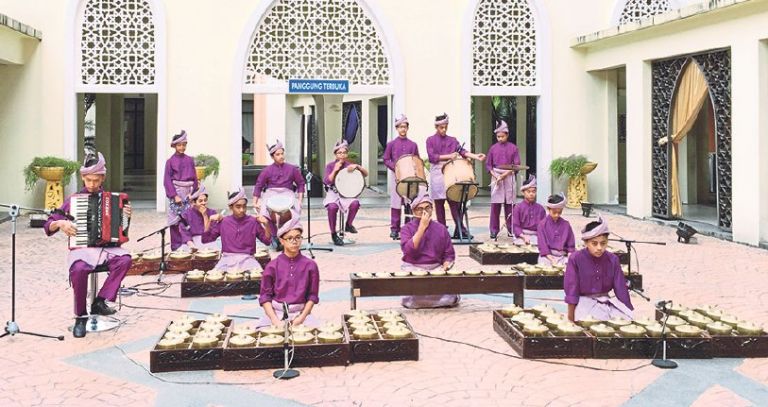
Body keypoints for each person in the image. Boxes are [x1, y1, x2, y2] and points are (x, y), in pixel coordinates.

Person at [44, 152, 132, 338]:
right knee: (79, 269)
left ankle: (99, 301)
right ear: (83, 177)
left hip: (106, 248)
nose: (92, 184)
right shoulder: (74, 201)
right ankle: (80, 316)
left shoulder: (113, 199)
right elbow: (49, 224)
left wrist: (125, 216)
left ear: (103, 178)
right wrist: (60, 224)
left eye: (96, 180)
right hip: (82, 249)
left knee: (125, 259)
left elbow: (122, 231)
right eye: (88, 180)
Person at [426, 113, 485, 239]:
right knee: (439, 203)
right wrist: (448, 156)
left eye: (445, 127)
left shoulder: (452, 140)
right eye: (441, 127)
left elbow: (462, 151)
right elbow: (432, 157)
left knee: (454, 201)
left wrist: (475, 156)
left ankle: (460, 229)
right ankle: (442, 231)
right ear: (436, 127)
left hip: (451, 172)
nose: (444, 129)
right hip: (437, 172)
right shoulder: (430, 140)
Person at [564, 216, 633, 321]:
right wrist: (570, 319)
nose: (599, 248)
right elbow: (572, 291)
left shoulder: (613, 259)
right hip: (584, 303)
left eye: (603, 243)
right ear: (586, 242)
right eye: (594, 243)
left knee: (623, 321)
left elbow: (621, 289)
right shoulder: (575, 259)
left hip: (606, 302)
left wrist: (629, 312)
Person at [400, 189, 458, 309]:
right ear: (413, 211)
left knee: (449, 296)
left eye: (428, 208)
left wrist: (446, 264)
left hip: (435, 269)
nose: (424, 212)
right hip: (414, 267)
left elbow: (449, 254)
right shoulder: (407, 229)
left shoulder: (441, 228)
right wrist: (421, 228)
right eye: (420, 209)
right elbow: (409, 251)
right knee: (413, 293)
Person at [258, 218, 320, 327]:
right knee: (262, 337)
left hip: (301, 314)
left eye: (298, 237)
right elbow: (265, 297)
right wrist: (275, 321)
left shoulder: (310, 265)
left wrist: (301, 318)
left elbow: (312, 296)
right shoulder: (272, 266)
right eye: (289, 238)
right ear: (281, 241)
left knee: (316, 337)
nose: (294, 241)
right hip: (276, 313)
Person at [252, 140, 305, 250]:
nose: (281, 156)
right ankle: (274, 236)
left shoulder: (292, 169)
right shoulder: (267, 170)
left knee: (294, 212)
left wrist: (300, 200)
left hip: (287, 193)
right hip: (271, 194)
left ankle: (286, 235)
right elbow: (258, 186)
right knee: (265, 213)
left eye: (282, 153)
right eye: (278, 154)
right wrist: (254, 202)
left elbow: (300, 184)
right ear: (272, 156)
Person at [202, 188, 271, 271]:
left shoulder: (253, 221)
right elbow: (206, 239)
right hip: (226, 261)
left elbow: (267, 241)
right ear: (230, 207)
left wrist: (266, 224)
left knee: (258, 280)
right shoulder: (224, 222)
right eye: (238, 207)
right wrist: (208, 220)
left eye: (244, 206)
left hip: (248, 260)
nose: (242, 210)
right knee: (214, 279)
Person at [382, 113, 420, 240]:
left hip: (410, 178)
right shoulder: (391, 144)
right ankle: (394, 228)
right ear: (396, 128)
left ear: (407, 128)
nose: (402, 129)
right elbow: (386, 159)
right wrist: (396, 168)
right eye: (400, 127)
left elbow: (417, 160)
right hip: (396, 176)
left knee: (409, 201)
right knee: (396, 202)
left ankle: (408, 227)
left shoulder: (413, 144)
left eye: (405, 126)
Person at [323, 139, 368, 246]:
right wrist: (335, 169)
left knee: (355, 204)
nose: (342, 155)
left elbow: (365, 174)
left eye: (344, 153)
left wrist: (358, 167)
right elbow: (327, 181)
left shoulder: (349, 165)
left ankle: (348, 224)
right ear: (335, 154)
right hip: (333, 192)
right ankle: (334, 234)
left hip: (347, 194)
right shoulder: (330, 166)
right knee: (332, 207)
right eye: (339, 153)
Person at [163, 130, 199, 250]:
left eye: (184, 145)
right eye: (179, 145)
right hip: (177, 192)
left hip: (188, 192)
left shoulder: (190, 160)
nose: (182, 147)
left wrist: (192, 193)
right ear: (174, 146)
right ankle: (176, 246)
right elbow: (167, 180)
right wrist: (174, 196)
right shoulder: (170, 161)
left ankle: (188, 244)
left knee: (188, 219)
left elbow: (194, 178)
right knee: (175, 220)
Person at [485, 120, 521, 239]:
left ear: (507, 135)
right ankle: (493, 229)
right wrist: (495, 176)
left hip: (509, 175)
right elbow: (488, 165)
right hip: (496, 176)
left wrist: (505, 175)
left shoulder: (513, 148)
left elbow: (516, 165)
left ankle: (511, 229)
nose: (500, 138)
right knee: (495, 204)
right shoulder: (493, 148)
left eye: (502, 136)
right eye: (498, 136)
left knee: (510, 204)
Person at [536, 193, 576, 266]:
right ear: (548, 209)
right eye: (554, 212)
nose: (557, 215)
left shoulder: (566, 224)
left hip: (563, 256)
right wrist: (551, 259)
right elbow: (542, 245)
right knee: (543, 265)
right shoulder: (542, 225)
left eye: (559, 212)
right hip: (548, 257)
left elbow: (571, 245)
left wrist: (570, 256)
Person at [180, 185, 220, 252]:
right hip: (192, 243)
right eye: (200, 201)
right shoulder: (186, 214)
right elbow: (184, 233)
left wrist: (205, 215)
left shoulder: (212, 212)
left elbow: (210, 234)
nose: (204, 203)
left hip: (208, 241)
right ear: (193, 202)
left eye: (205, 200)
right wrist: (192, 245)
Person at [511, 175, 546, 245]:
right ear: (523, 192)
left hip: (536, 235)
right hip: (521, 234)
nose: (531, 194)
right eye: (528, 191)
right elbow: (516, 226)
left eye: (533, 191)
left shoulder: (541, 208)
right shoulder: (518, 208)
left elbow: (544, 227)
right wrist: (523, 236)